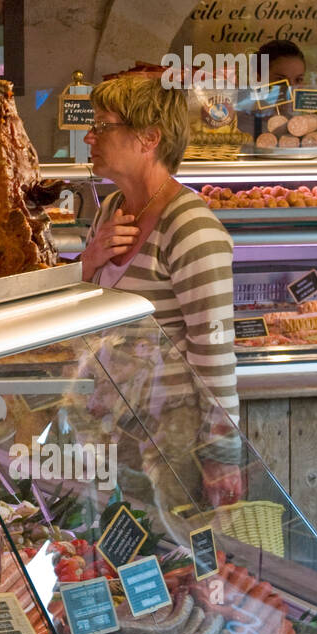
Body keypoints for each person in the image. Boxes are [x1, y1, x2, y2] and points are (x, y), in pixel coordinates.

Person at [81, 70, 238, 421]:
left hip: (169, 435)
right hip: (114, 423)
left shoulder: (191, 227)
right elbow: (87, 315)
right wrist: (88, 262)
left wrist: (221, 457)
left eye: (103, 126)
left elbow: (214, 356)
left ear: (149, 138)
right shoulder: (111, 208)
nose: (90, 137)